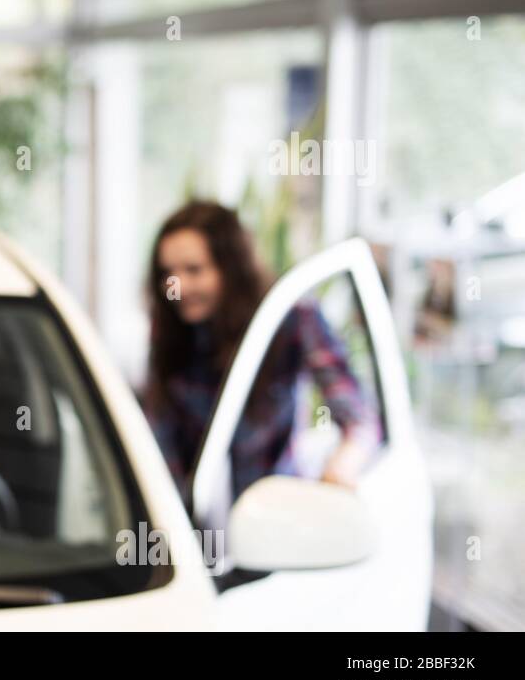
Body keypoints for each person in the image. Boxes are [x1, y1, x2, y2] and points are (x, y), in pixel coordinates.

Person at [141, 200, 380, 507]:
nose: (177, 286)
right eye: (167, 273)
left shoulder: (288, 319)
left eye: (194, 270)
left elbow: (359, 420)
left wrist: (340, 469)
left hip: (277, 521)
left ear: (231, 268)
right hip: (193, 528)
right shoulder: (169, 333)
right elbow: (160, 445)